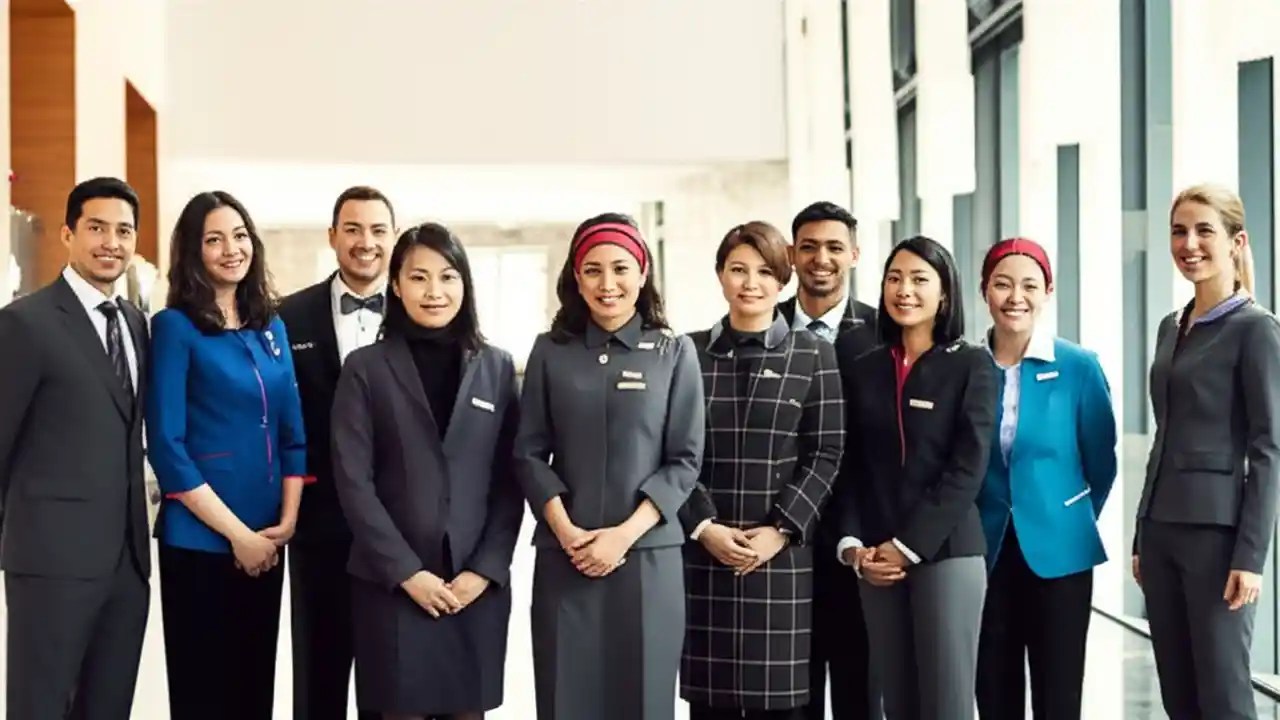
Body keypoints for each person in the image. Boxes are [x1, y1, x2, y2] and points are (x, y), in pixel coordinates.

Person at [514, 213, 705, 720]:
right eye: (593, 270)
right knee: (565, 700)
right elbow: (528, 451)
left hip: (646, 560)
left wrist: (622, 536)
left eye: (621, 268)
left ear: (643, 273)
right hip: (565, 556)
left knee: (641, 701)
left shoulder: (674, 352)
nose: (608, 283)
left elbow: (684, 461)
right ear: (576, 277)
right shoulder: (550, 352)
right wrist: (567, 530)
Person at [331, 222, 524, 720]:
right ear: (395, 285)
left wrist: (484, 570)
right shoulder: (365, 368)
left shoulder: (498, 367)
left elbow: (510, 481)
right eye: (419, 278)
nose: (434, 292)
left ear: (465, 283)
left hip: (471, 589)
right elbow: (354, 482)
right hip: (390, 587)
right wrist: (406, 573)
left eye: (448, 276)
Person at [146, 190, 308, 719]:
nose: (230, 249)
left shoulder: (272, 328)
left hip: (266, 540)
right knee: (204, 694)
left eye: (239, 236)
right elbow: (168, 448)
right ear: (193, 252)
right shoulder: (174, 327)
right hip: (202, 542)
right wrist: (238, 536)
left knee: (254, 688)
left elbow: (292, 434)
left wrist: (285, 523)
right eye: (213, 239)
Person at [678, 221, 844, 719]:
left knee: (783, 704)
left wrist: (782, 529)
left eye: (764, 271)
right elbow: (673, 451)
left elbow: (826, 452)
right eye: (738, 270)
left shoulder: (815, 354)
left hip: (782, 558)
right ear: (720, 276)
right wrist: (703, 527)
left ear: (783, 279)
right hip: (705, 553)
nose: (750, 283)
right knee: (710, 703)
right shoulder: (685, 353)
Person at [0, 177, 152, 720]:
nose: (111, 242)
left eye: (124, 230)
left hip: (127, 566)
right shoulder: (24, 324)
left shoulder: (136, 324)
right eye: (96, 228)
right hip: (50, 564)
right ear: (67, 234)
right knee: (40, 708)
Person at [835, 235, 997, 720]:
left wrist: (906, 545)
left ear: (945, 293)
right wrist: (853, 547)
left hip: (945, 552)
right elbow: (848, 467)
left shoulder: (972, 364)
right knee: (897, 703)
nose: (904, 289)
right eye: (894, 278)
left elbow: (968, 467)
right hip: (874, 559)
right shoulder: (863, 367)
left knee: (945, 705)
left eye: (920, 279)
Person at [1134, 184, 1280, 720]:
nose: (1188, 243)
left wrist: (1251, 556)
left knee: (1222, 695)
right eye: (1179, 231)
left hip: (1218, 539)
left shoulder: (1256, 330)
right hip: (1162, 530)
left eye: (1203, 231)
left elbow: (1269, 448)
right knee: (1179, 694)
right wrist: (1140, 529)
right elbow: (1163, 433)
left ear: (1236, 241)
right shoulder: (1170, 329)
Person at [972, 238, 1117, 719]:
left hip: (1061, 553)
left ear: (1048, 291)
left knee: (1058, 695)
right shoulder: (966, 368)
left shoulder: (1078, 366)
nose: (1016, 296)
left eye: (1030, 285)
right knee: (994, 690)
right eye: (1003, 284)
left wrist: (1064, 517)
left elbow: (1102, 460)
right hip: (985, 550)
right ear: (984, 291)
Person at [279, 185, 396, 720]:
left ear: (393, 238)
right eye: (352, 229)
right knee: (317, 682)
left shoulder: (422, 311)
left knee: (391, 682)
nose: (365, 242)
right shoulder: (287, 316)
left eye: (377, 230)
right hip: (317, 528)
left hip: (400, 533)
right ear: (332, 237)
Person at [776, 201, 878, 720]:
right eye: (809, 247)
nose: (822, 258)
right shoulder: (761, 327)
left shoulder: (887, 333)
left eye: (835, 247)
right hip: (783, 541)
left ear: (854, 255)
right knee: (794, 698)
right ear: (791, 255)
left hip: (862, 541)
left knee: (863, 692)